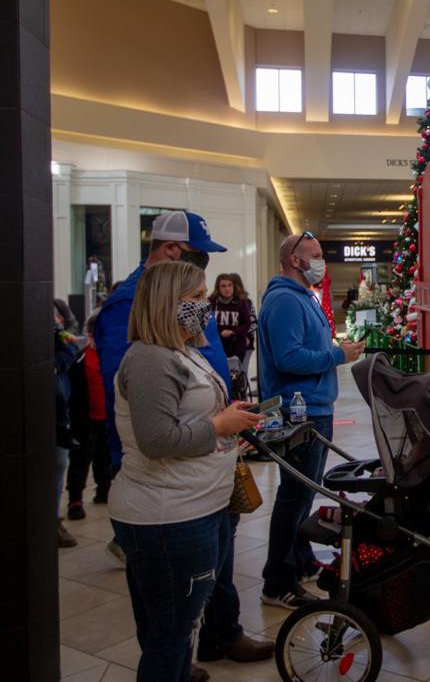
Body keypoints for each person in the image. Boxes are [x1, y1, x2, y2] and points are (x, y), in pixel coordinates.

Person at [94, 211, 274, 668]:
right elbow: (147, 415)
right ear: (173, 251)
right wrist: (214, 425)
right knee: (171, 621)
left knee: (211, 573)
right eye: (197, 292)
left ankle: (219, 634)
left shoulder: (181, 324)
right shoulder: (137, 316)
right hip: (168, 486)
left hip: (203, 471)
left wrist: (228, 421)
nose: (206, 299)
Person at [259, 232, 365, 608]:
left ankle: (300, 560)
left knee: (302, 492)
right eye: (316, 255)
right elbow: (289, 358)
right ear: (294, 260)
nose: (321, 261)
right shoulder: (286, 300)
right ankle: (278, 581)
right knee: (294, 495)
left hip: (314, 407)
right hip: (298, 410)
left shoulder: (303, 296)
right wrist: (337, 356)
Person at [66, 315, 112, 521]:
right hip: (85, 419)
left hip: (107, 417)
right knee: (81, 459)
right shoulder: (80, 359)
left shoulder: (111, 356)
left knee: (104, 457)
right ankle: (75, 500)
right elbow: (72, 392)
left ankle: (103, 490)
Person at [54, 315, 82, 548]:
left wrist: (55, 365)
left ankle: (53, 520)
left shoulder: (52, 318)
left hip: (57, 413)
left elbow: (69, 346)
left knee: (59, 463)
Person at [210, 273, 253, 361]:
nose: (227, 289)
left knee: (234, 373)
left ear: (234, 286)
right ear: (218, 288)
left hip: (236, 347)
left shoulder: (241, 303)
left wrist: (232, 332)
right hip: (216, 345)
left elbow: (247, 324)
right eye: (223, 286)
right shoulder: (211, 302)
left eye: (230, 285)